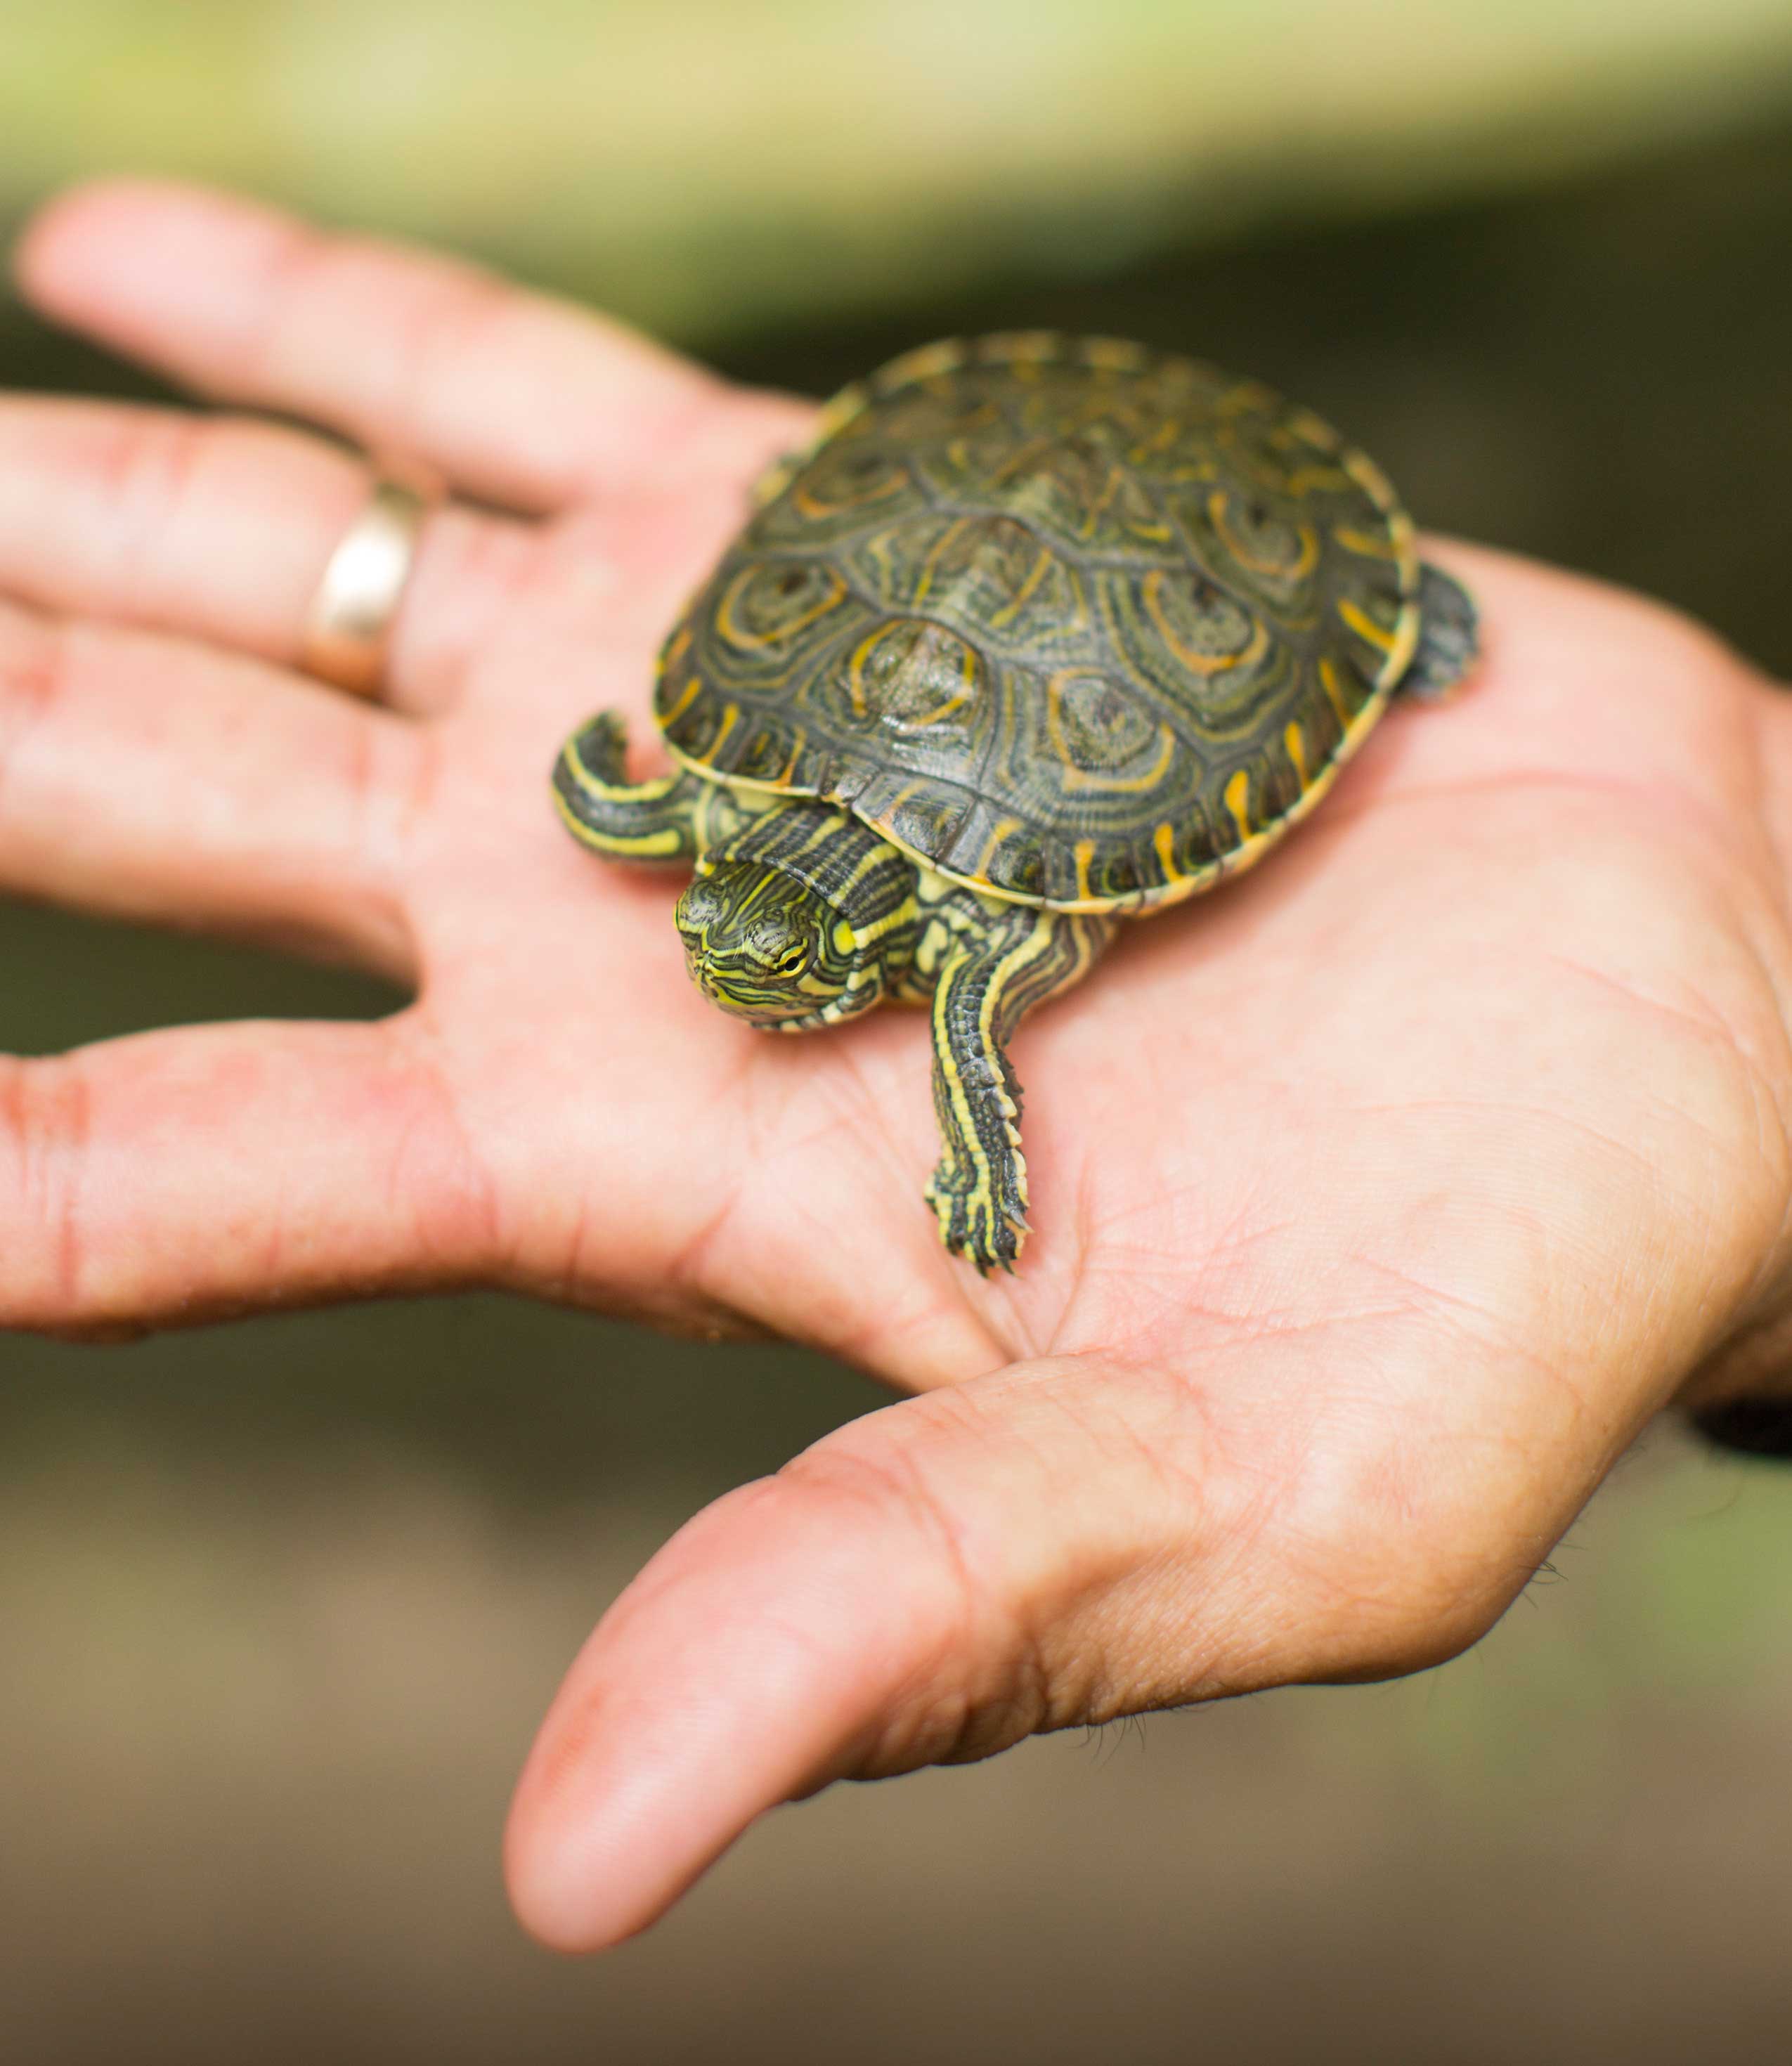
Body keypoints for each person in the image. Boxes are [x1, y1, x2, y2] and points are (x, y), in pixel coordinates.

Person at [1, 178, 1787, 1953]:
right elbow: (633, 796)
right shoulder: (739, 824)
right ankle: (1365, 606)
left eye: (764, 956)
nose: (723, 958)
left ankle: (1365, 607)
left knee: (1178, 747)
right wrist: (621, 795)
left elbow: (883, 970)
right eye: (733, 932)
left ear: (848, 955)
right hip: (974, 506)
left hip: (1202, 541)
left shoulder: (961, 930)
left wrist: (980, 1155)